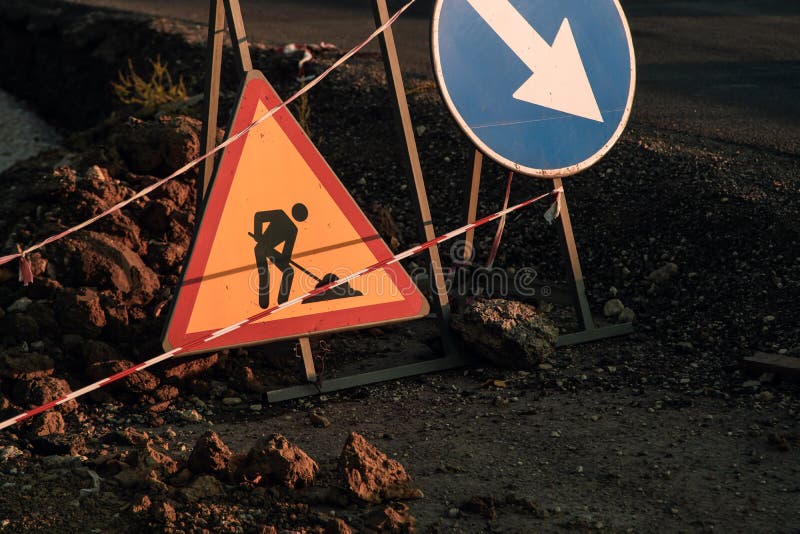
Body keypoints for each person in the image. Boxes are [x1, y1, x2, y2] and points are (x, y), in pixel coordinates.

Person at [251, 203, 308, 308]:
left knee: (289, 271)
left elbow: (287, 252)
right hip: (261, 248)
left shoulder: (293, 229)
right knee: (264, 272)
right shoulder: (279, 214)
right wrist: (258, 235)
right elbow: (259, 216)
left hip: (269, 250)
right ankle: (264, 302)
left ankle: (282, 302)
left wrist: (284, 261)